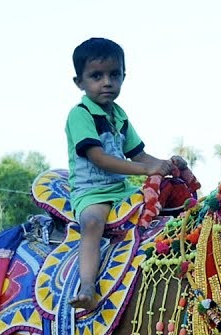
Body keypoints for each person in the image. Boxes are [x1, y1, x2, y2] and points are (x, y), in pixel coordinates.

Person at [65, 37, 184, 311]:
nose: (107, 82)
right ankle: (87, 286)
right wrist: (146, 170)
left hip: (120, 190)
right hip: (91, 192)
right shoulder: (80, 115)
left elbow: (139, 155)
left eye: (114, 74)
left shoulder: (119, 116)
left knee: (165, 208)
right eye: (96, 76)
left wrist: (166, 164)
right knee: (93, 223)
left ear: (123, 76)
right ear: (79, 82)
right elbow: (99, 158)